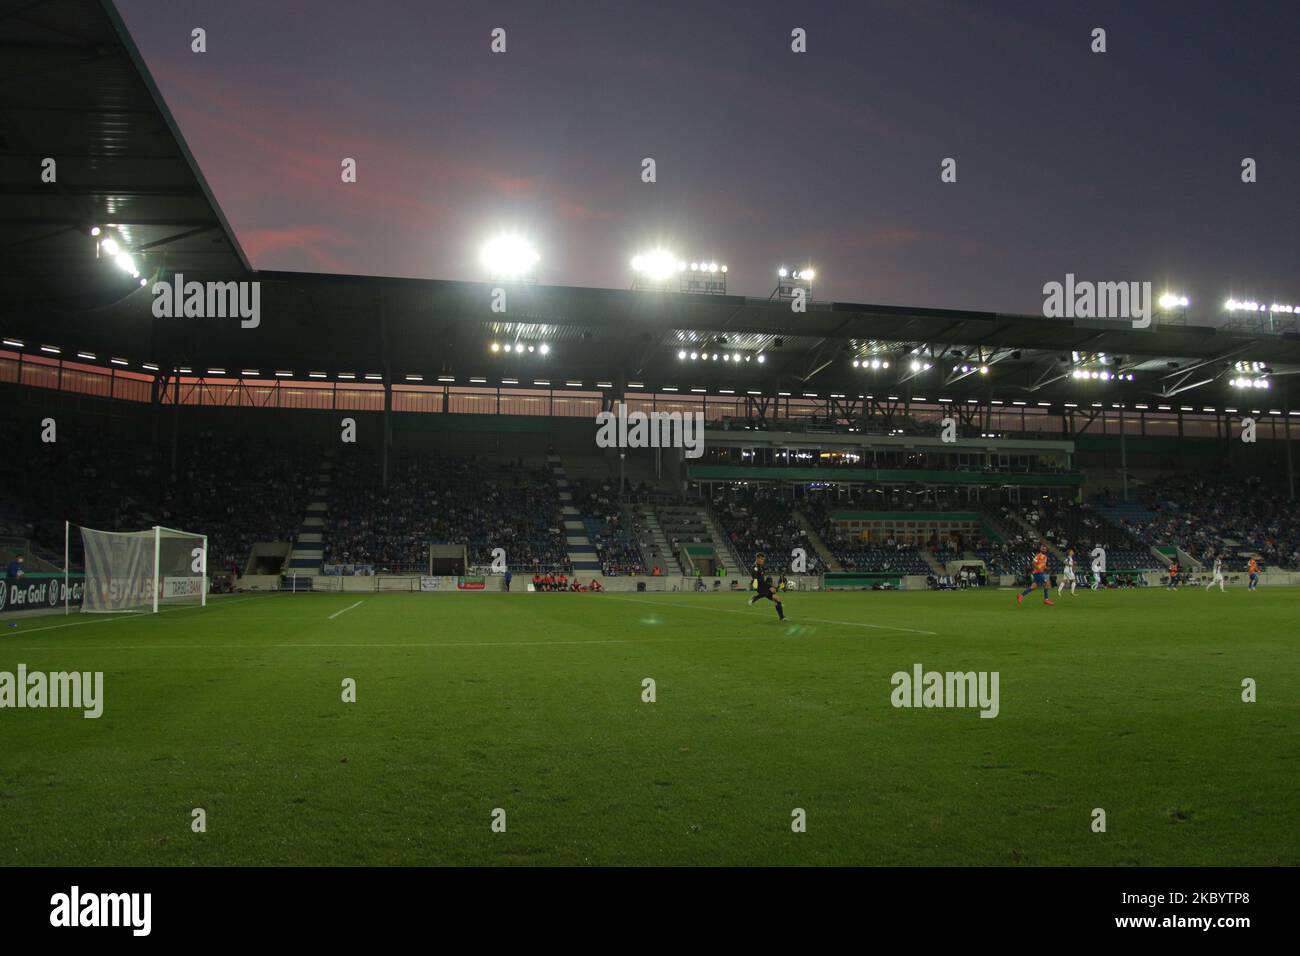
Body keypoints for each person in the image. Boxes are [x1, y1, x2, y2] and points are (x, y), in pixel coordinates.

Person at [747, 553, 785, 621]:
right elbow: (759, 580)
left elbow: (764, 573)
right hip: (758, 585)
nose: (763, 561)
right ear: (757, 559)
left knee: (777, 599)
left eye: (763, 559)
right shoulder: (755, 568)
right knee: (765, 593)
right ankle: (755, 598)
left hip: (763, 584)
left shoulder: (761, 567)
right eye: (761, 559)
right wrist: (769, 587)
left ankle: (782, 617)